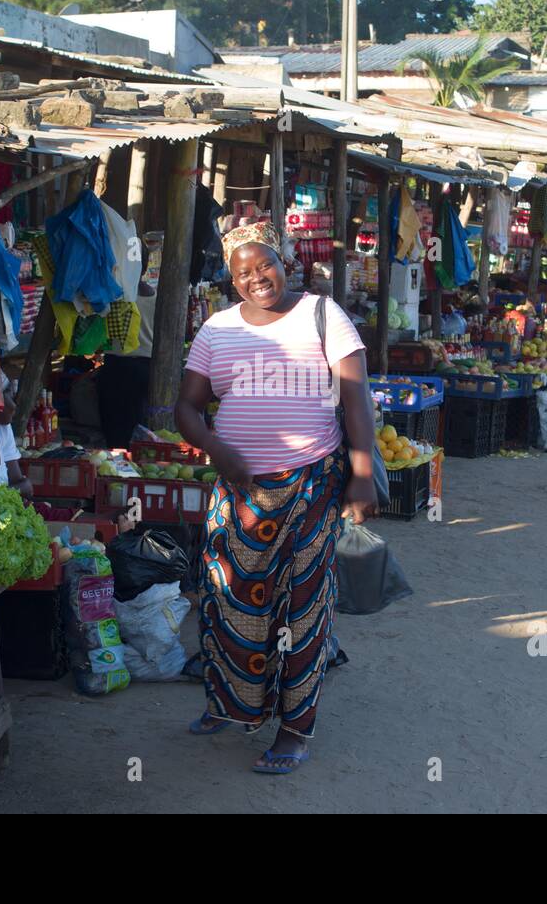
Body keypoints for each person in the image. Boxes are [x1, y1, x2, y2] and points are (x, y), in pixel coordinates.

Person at [174, 222, 377, 775]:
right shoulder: (215, 329)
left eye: (263, 264)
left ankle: (293, 730)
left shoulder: (322, 313)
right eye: (241, 272)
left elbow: (355, 397)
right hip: (237, 491)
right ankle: (231, 706)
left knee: (302, 608)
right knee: (224, 599)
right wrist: (217, 448)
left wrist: (362, 471)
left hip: (311, 484)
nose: (254, 278)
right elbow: (186, 409)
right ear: (230, 278)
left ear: (283, 259)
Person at [96, 281, 157, 448]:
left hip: (118, 365)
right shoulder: (155, 296)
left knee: (115, 424)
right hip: (145, 365)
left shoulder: (119, 294)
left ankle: (120, 460)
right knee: (137, 421)